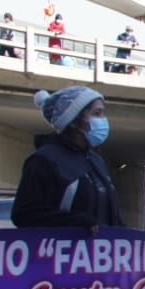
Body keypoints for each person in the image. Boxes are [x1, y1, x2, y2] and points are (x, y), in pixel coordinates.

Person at [12, 87, 121, 231]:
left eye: (103, 113)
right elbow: (24, 215)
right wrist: (77, 222)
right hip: (62, 251)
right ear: (74, 121)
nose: (103, 120)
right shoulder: (44, 161)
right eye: (96, 113)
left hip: (100, 252)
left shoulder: (97, 161)